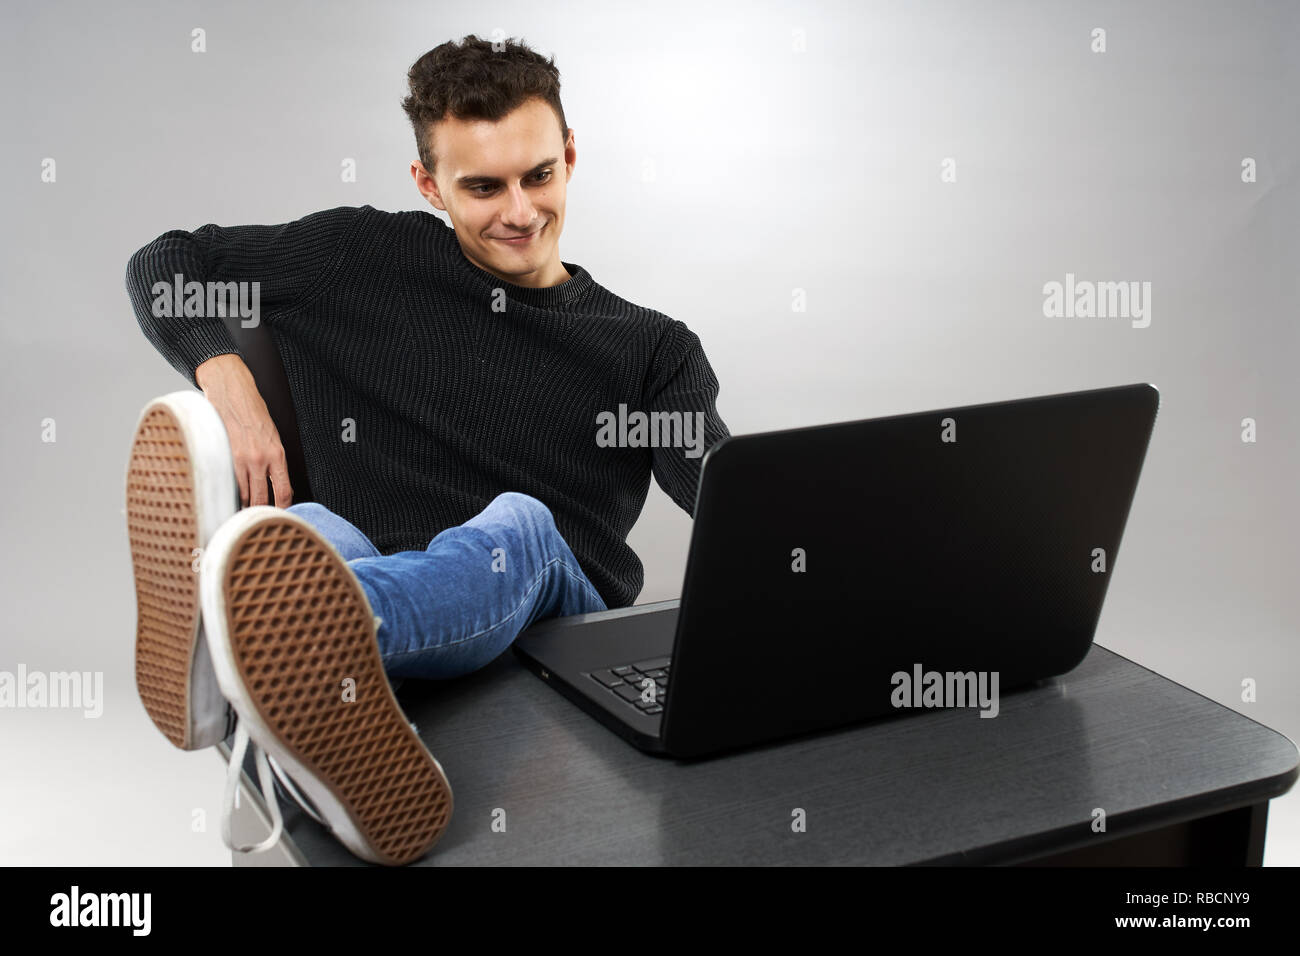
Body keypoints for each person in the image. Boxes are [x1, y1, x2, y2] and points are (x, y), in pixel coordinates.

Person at [123, 35, 730, 866]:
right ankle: (317, 675)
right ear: (428, 185)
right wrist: (221, 370)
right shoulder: (362, 256)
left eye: (538, 175)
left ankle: (252, 646)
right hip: (393, 592)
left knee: (518, 522)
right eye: (482, 187)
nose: (519, 212)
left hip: (550, 607)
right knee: (311, 533)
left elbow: (732, 505)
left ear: (570, 156)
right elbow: (166, 261)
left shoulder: (651, 349)